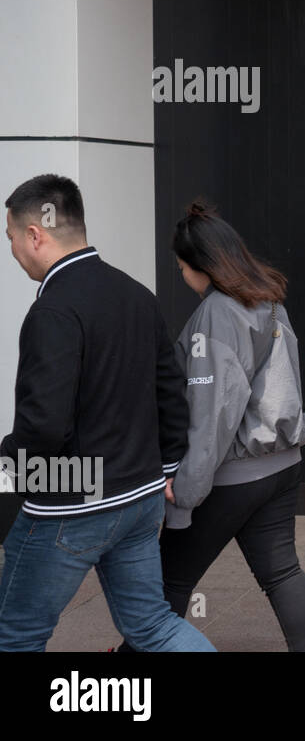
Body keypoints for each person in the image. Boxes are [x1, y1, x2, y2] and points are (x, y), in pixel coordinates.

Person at [0, 174, 214, 651]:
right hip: (139, 498)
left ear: (36, 234)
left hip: (73, 504)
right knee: (153, 626)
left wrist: (7, 465)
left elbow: (44, 427)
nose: (12, 250)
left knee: (14, 634)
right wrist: (167, 466)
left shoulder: (53, 311)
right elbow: (170, 390)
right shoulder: (135, 293)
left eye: (11, 237)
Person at [144, 200, 305, 651]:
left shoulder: (218, 312)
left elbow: (213, 415)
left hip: (233, 476)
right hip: (282, 465)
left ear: (200, 265)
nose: (182, 276)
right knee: (282, 572)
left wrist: (185, 490)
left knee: (167, 582)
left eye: (182, 266)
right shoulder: (269, 300)